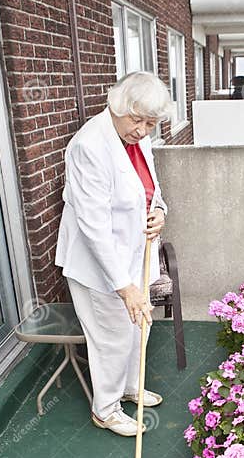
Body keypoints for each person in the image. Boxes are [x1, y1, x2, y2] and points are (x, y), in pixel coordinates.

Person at [55, 71, 173, 436]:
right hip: (99, 263)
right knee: (112, 336)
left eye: (150, 123)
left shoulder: (138, 139)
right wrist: (125, 287)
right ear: (117, 106)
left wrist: (161, 212)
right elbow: (94, 227)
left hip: (135, 252)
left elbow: (148, 190)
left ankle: (129, 387)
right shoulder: (89, 146)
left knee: (140, 325)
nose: (142, 129)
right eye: (137, 120)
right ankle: (105, 409)